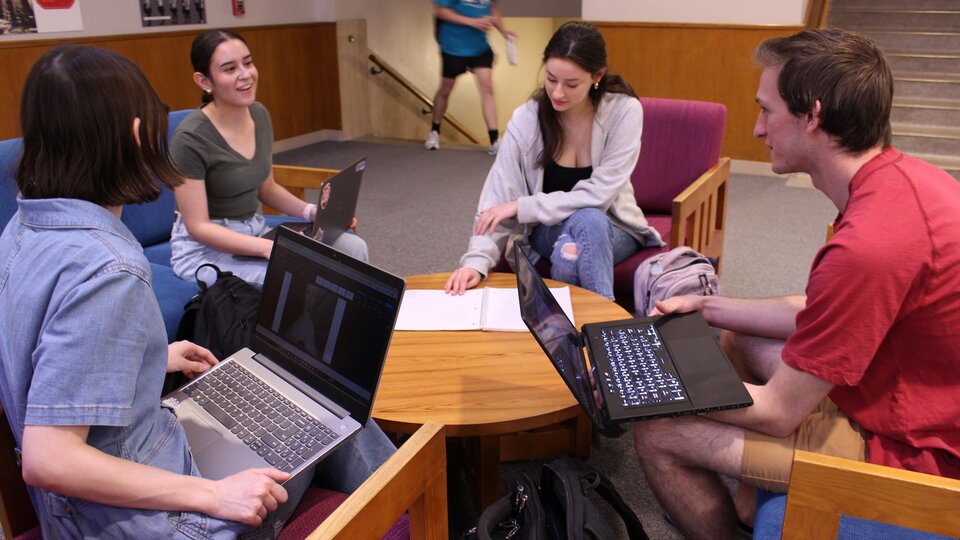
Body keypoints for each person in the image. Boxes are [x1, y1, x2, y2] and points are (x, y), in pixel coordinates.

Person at [0, 45, 394, 540]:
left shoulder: (23, 229)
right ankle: (418, 505)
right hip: (161, 521)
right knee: (320, 406)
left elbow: (48, 360)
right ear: (139, 135)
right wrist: (216, 494)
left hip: (85, 506)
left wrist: (148, 357)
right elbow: (48, 458)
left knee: (307, 407)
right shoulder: (109, 269)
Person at [632, 29, 960, 540]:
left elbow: (778, 413)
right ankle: (748, 505)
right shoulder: (904, 181)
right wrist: (707, 306)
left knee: (658, 429)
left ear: (813, 116)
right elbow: (821, 309)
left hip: (917, 456)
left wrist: (650, 389)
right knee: (740, 336)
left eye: (767, 110)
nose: (758, 128)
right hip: (916, 392)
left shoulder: (868, 247)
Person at [445, 21, 663, 301]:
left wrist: (522, 206)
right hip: (547, 230)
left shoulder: (624, 111)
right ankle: (604, 331)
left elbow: (600, 195)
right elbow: (497, 196)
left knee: (579, 237)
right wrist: (475, 260)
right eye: (551, 79)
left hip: (615, 228)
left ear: (597, 75)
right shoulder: (528, 118)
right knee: (582, 228)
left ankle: (570, 334)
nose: (558, 93)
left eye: (571, 84)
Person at [170, 29, 368, 288]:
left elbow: (267, 188)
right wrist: (266, 248)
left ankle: (350, 326)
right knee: (295, 276)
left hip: (254, 230)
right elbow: (198, 227)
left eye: (248, 62)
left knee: (352, 247)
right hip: (204, 251)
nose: (245, 74)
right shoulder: (190, 138)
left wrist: (315, 213)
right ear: (204, 81)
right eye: (229, 69)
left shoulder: (259, 114)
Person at [424, 0, 515, 155]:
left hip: (480, 47)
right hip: (453, 47)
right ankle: (434, 131)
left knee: (488, 89)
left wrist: (503, 31)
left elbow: (493, 8)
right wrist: (472, 22)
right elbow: (441, 11)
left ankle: (494, 140)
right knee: (445, 90)